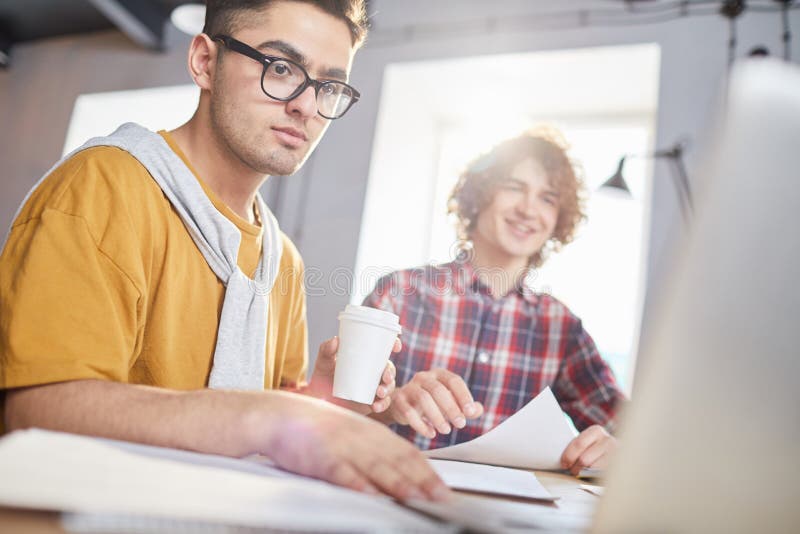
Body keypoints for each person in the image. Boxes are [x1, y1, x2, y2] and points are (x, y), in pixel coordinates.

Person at [0, 0, 449, 502]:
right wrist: (265, 416)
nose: (306, 106)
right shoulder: (102, 187)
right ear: (204, 62)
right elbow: (34, 413)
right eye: (281, 68)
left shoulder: (282, 260)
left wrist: (325, 399)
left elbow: (261, 422)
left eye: (329, 86)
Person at [365, 130, 626, 475]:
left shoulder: (561, 328)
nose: (528, 209)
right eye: (514, 187)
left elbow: (627, 429)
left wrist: (616, 448)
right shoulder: (399, 292)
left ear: (557, 221)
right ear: (480, 195)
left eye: (548, 198)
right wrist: (390, 404)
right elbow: (336, 409)